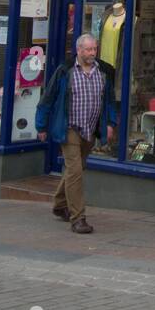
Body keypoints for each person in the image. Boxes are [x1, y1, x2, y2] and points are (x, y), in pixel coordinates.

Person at [35, 33, 118, 234]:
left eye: (94, 49)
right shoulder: (65, 71)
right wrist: (41, 126)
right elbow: (48, 98)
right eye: (88, 49)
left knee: (77, 168)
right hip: (69, 127)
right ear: (79, 50)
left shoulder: (103, 71)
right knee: (75, 171)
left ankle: (59, 204)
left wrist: (110, 122)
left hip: (90, 128)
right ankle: (78, 218)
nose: (92, 53)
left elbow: (108, 100)